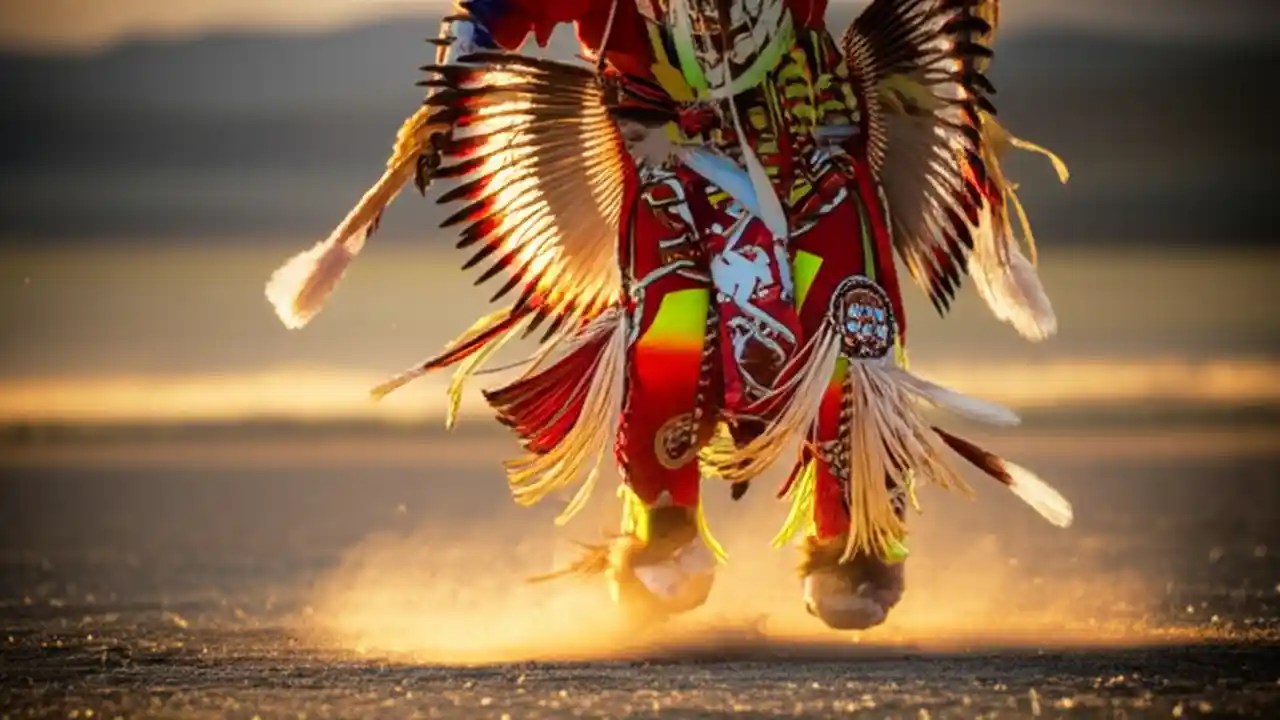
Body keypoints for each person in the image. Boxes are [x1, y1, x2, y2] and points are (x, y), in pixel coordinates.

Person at [264, 0, 1074, 630]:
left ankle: (858, 538)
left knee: (849, 325)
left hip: (811, 129)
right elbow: (492, 9)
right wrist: (456, 87)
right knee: (667, 336)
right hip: (662, 148)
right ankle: (661, 525)